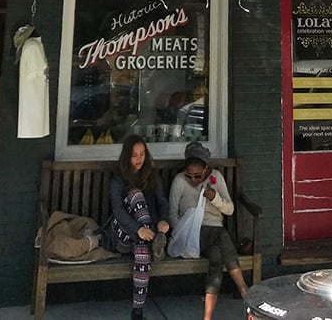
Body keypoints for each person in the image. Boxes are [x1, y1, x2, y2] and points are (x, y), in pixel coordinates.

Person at [169, 141, 248, 320]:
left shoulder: (217, 179)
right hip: (190, 235)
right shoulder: (179, 181)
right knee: (221, 235)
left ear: (206, 169)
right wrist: (183, 230)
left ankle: (207, 316)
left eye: (198, 176)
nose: (193, 180)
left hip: (214, 232)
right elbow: (172, 214)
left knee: (216, 256)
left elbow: (229, 209)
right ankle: (244, 290)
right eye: (190, 176)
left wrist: (215, 198)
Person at [99, 135, 170, 320]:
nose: (139, 159)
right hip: (121, 234)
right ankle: (155, 244)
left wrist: (163, 219)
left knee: (142, 253)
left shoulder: (152, 176)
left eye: (142, 154)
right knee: (135, 194)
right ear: (126, 157)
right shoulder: (118, 178)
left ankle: (137, 312)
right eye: (134, 155)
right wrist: (139, 229)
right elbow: (118, 211)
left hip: (143, 238)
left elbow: (162, 202)